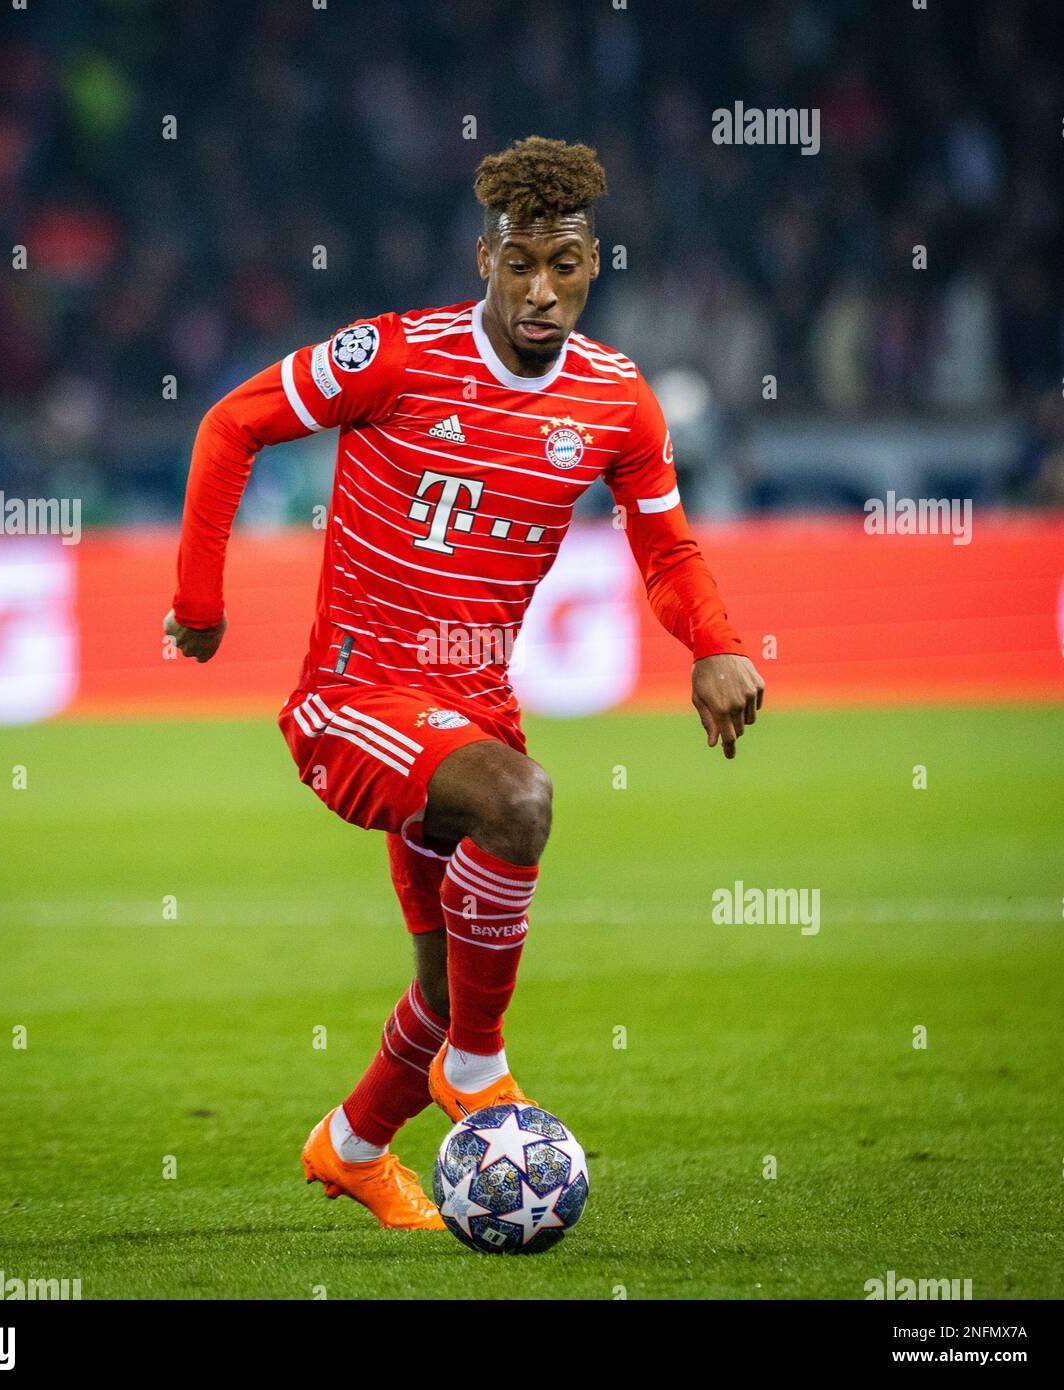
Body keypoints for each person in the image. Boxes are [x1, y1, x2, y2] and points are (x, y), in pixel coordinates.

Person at [166, 136, 764, 1231]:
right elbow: (230, 422)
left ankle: (348, 1147)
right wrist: (201, 604)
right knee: (519, 803)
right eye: (520, 262)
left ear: (595, 265)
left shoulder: (618, 399)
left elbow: (667, 552)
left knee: (443, 985)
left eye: (567, 265)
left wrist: (714, 643)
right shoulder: (389, 356)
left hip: (468, 708)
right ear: (483, 256)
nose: (543, 290)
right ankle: (479, 1072)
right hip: (351, 700)